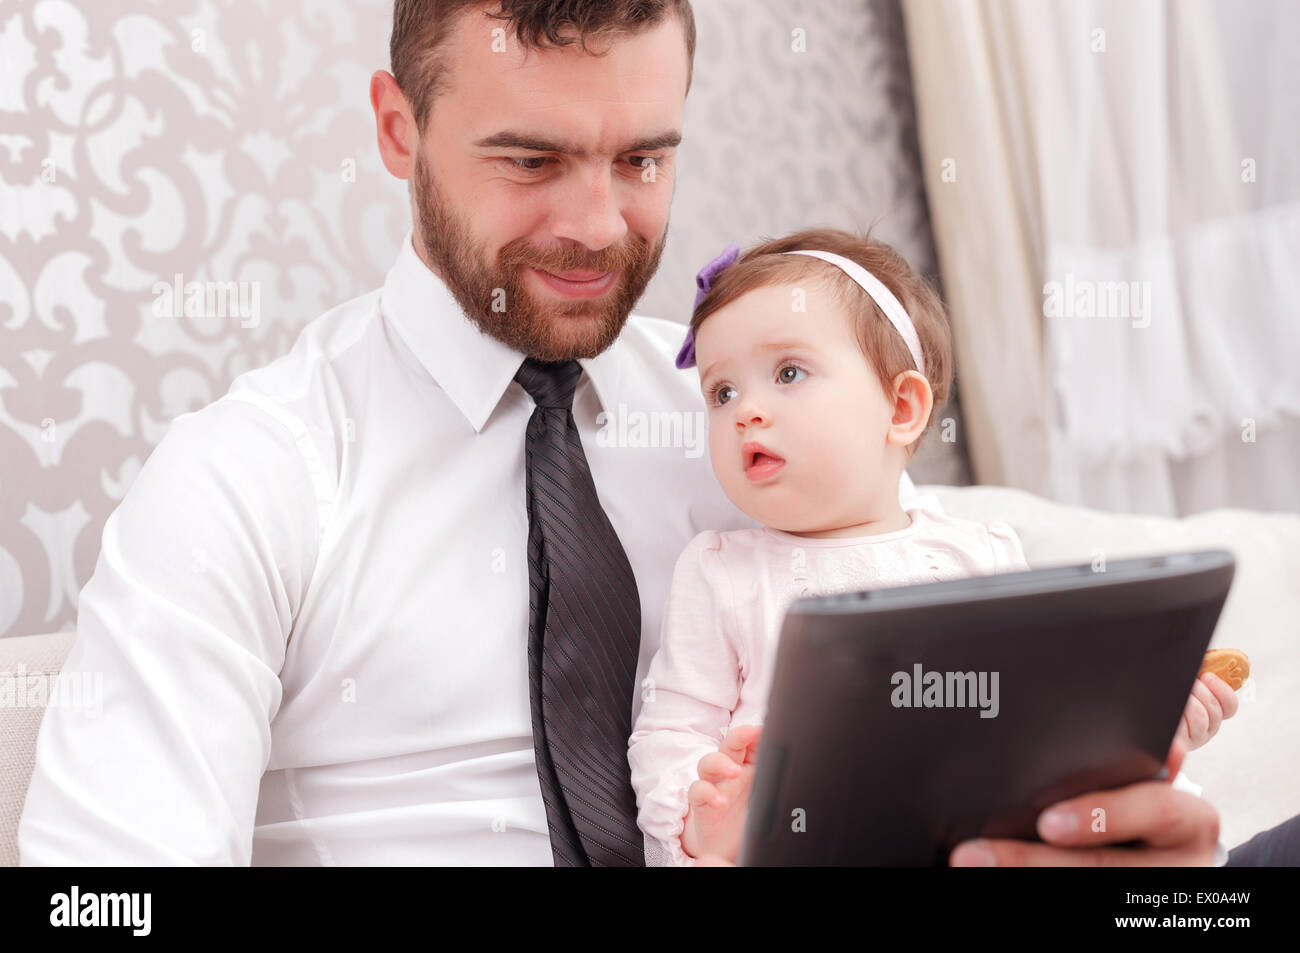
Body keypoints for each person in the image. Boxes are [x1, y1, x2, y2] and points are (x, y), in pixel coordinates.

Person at [18, 0, 1224, 866]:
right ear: (398, 128)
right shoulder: (251, 474)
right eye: (529, 159)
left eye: (643, 157)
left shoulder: (744, 409)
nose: (597, 226)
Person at [627, 228, 1238, 865]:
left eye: (788, 372)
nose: (746, 410)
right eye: (721, 392)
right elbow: (671, 731)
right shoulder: (722, 571)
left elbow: (1048, 717)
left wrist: (1147, 720)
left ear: (902, 408)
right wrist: (700, 830)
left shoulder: (980, 554)